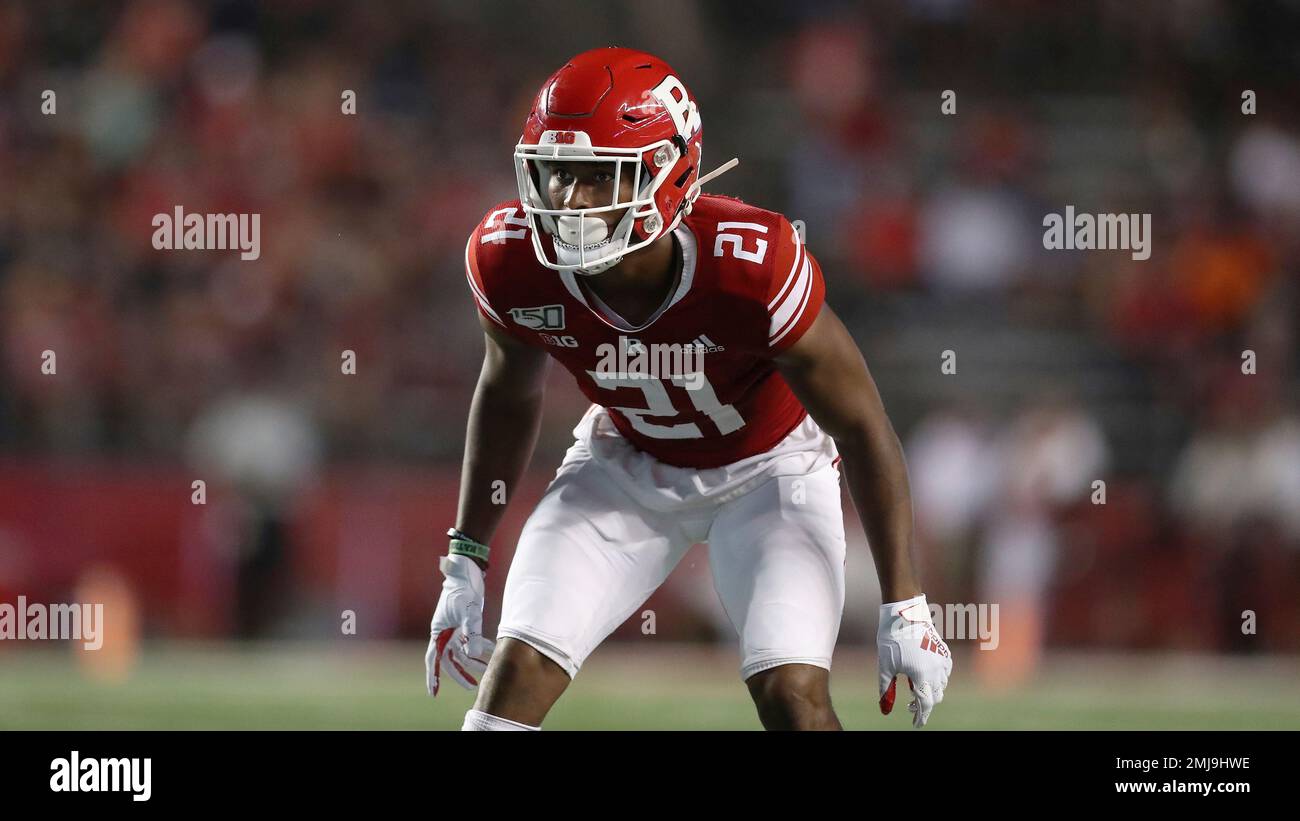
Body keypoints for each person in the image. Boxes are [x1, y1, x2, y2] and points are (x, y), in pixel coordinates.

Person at [426, 47, 951, 730]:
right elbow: (507, 392)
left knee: (793, 695)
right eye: (556, 175)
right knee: (516, 673)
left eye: (595, 177)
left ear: (667, 174)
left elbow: (861, 424)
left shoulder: (752, 265)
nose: (568, 201)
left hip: (770, 470)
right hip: (624, 465)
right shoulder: (510, 258)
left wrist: (904, 600)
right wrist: (466, 552)